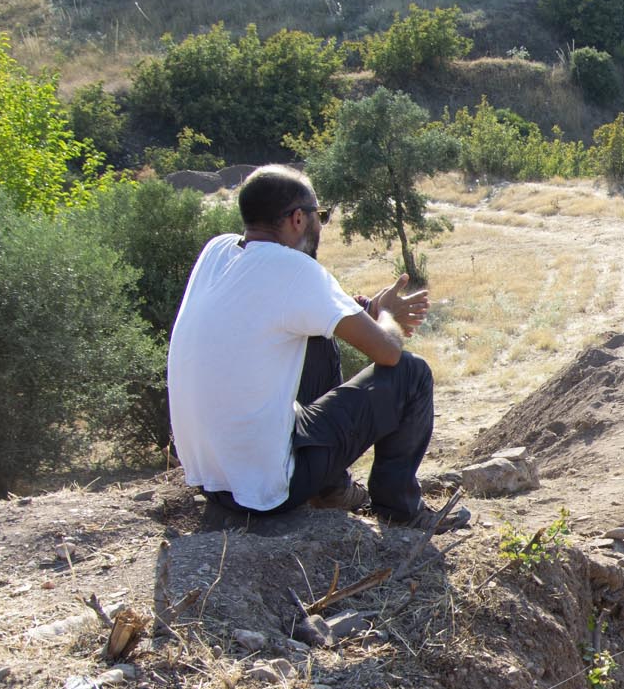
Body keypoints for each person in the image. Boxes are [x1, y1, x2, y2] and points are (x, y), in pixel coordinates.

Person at [166, 164, 462, 527]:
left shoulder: (217, 252)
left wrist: (365, 311)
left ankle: (331, 487)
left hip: (212, 481)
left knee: (320, 339)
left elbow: (298, 310)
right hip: (267, 493)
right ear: (297, 219)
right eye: (319, 215)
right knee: (412, 372)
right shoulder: (295, 269)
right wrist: (385, 316)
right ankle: (402, 512)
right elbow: (389, 351)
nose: (321, 224)